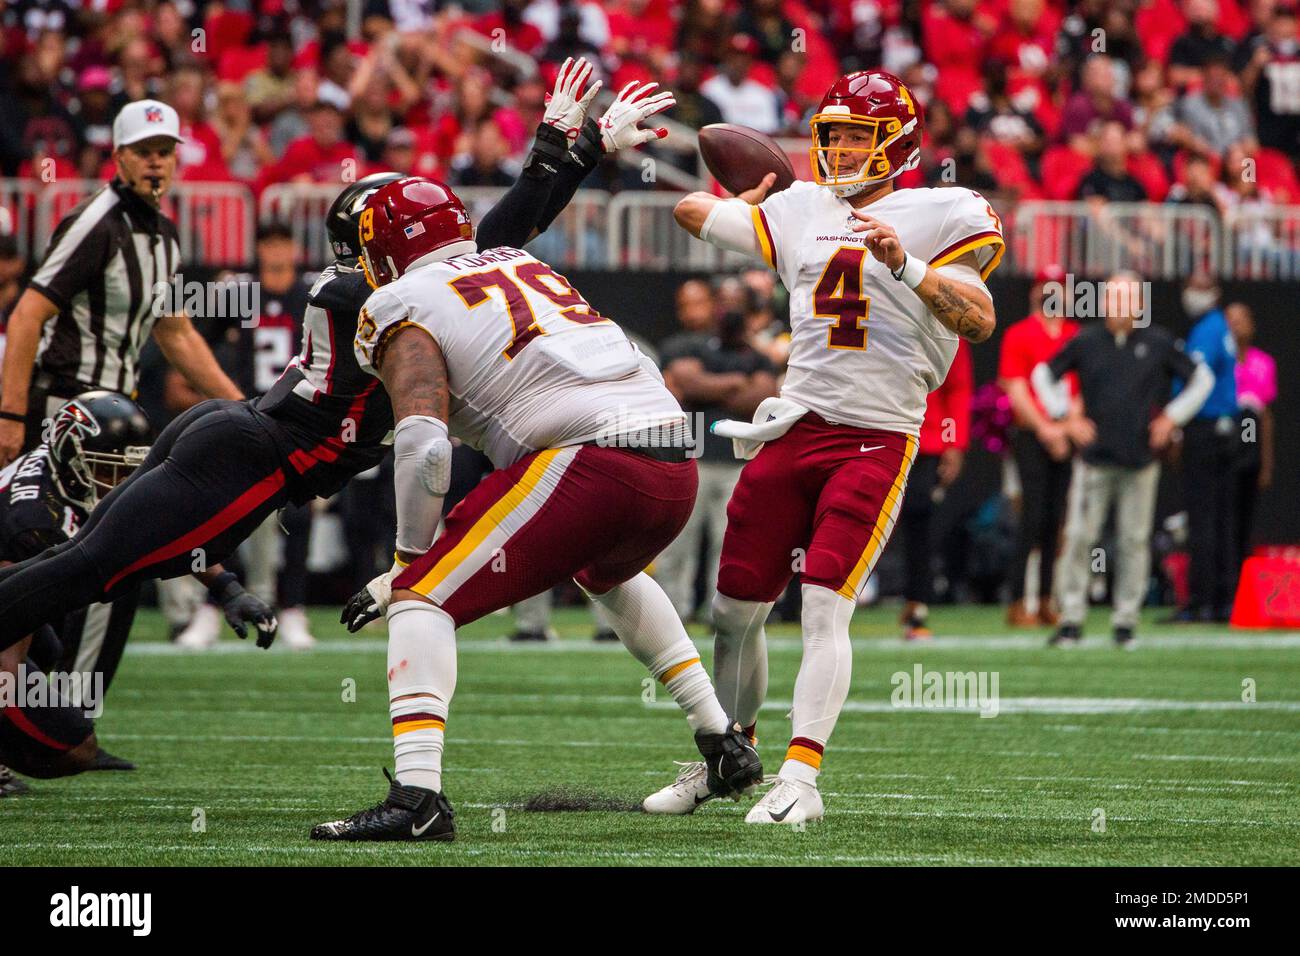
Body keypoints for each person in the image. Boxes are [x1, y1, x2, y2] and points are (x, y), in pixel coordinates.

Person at [0, 60, 655, 667]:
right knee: (86, 568)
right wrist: (559, 153)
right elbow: (490, 243)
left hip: (246, 450)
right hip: (249, 456)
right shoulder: (353, 291)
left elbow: (484, 248)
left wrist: (577, 153)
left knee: (91, 563)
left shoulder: (381, 287)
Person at [313, 176, 761, 842]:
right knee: (602, 574)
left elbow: (425, 447)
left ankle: (418, 800)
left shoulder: (401, 301)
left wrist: (407, 565)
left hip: (593, 459)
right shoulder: (522, 263)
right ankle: (722, 741)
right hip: (672, 461)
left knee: (421, 599)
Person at [652, 70, 1004, 824]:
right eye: (833, 134)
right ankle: (731, 754)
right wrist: (738, 205)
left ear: (898, 143)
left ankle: (802, 778)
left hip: (874, 439)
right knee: (731, 610)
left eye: (857, 135)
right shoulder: (802, 206)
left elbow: (978, 320)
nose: (842, 149)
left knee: (823, 612)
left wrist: (905, 263)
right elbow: (689, 210)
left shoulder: (944, 209)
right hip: (796, 427)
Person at [0, 392, 274, 785]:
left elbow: (158, 526)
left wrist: (225, 586)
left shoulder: (59, 478)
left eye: (128, 470)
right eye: (108, 470)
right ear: (71, 457)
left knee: (49, 650)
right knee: (75, 749)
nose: (120, 483)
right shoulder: (32, 519)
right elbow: (7, 622)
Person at [0, 99, 243, 467]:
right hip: (63, 407)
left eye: (164, 151)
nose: (155, 161)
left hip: (116, 411)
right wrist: (11, 417)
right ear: (118, 157)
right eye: (143, 151)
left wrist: (239, 407)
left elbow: (175, 332)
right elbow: (26, 316)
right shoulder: (97, 224)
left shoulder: (165, 233)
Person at [1033, 274, 1215, 646]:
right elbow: (1042, 375)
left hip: (1141, 460)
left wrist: (1172, 417)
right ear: (1103, 304)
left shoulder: (1158, 342)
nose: (1120, 308)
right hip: (1094, 460)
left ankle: (1126, 621)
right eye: (1114, 300)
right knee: (1081, 538)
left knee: (1134, 540)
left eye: (1127, 300)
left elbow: (1202, 379)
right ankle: (1071, 619)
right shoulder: (1086, 341)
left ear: (1139, 305)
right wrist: (1065, 417)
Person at [656, 284, 779, 621]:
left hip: (737, 461)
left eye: (736, 303)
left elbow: (763, 398)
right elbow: (684, 380)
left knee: (727, 546)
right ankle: (671, 614)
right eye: (725, 302)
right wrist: (736, 382)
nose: (730, 310)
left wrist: (709, 387)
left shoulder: (757, 353)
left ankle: (717, 613)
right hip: (692, 458)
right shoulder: (688, 344)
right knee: (678, 545)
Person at [998, 265, 1080, 627]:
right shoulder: (1019, 335)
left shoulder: (1073, 336)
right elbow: (1015, 389)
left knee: (1054, 519)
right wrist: (1047, 428)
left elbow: (1080, 388)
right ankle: (1018, 600)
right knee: (1030, 516)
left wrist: (1065, 427)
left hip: (1064, 434)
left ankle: (1046, 598)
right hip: (1032, 435)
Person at [1175, 273, 1241, 622]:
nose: (1191, 295)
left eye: (1199, 288)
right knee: (1219, 517)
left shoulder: (1208, 329)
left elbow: (1194, 378)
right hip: (1223, 427)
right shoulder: (1217, 326)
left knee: (1203, 517)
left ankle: (1204, 601)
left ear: (1213, 294)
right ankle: (1221, 599)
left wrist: (1173, 420)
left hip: (1206, 426)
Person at [898, 338, 972, 640]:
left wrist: (953, 442)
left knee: (919, 516)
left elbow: (958, 385)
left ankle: (917, 604)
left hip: (925, 437)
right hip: (877, 428)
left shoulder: (945, 322)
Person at [1227, 303, 1275, 577]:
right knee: (1224, 516)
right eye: (1230, 320)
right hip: (1223, 444)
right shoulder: (1220, 361)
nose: (1237, 325)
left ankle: (1243, 581)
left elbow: (1265, 417)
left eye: (1242, 319)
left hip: (1250, 444)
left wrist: (1266, 464)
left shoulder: (1263, 363)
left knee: (1245, 516)